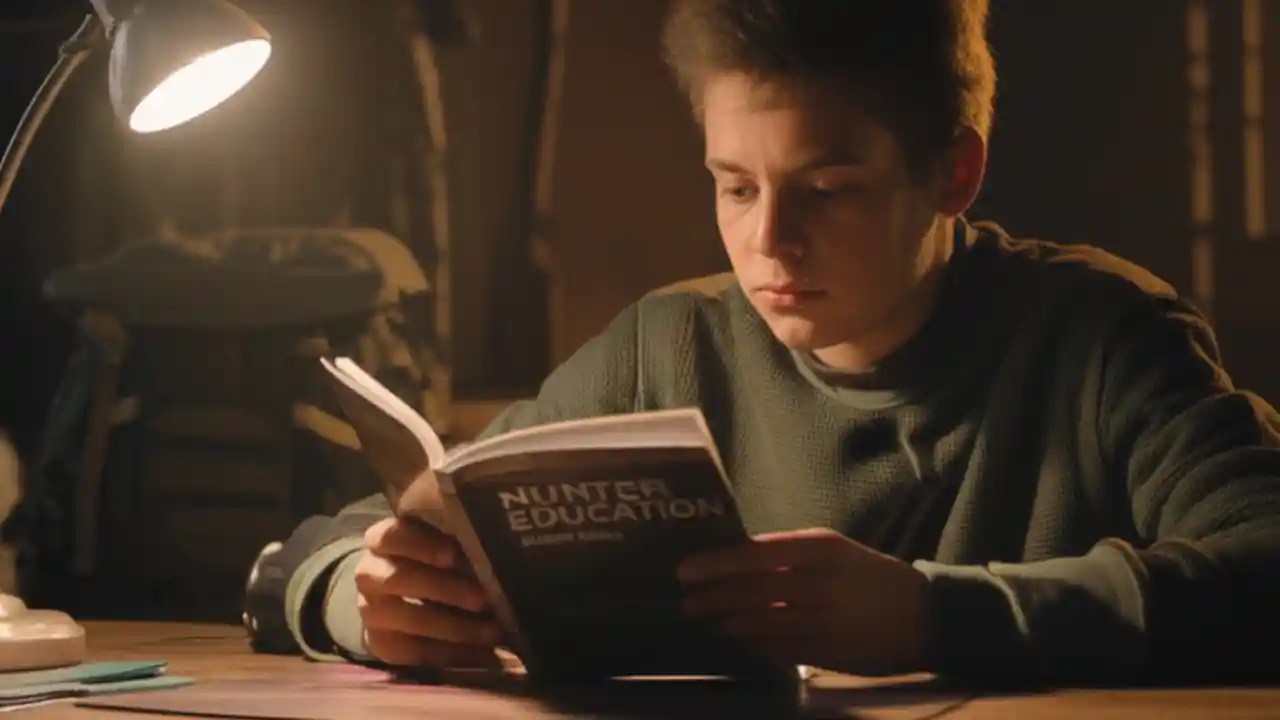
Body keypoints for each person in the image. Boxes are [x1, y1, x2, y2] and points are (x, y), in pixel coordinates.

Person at [247, 0, 1280, 684]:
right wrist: (358, 597)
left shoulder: (1098, 337)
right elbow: (317, 547)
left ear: (952, 174)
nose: (766, 242)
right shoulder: (669, 343)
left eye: (826, 191)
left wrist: (935, 618)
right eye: (732, 187)